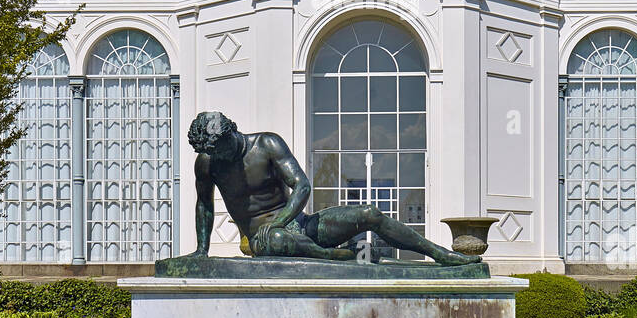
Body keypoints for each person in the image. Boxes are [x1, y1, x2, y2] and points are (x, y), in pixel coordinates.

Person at [186, 111, 479, 265]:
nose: (219, 156)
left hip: (298, 225)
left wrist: (282, 221)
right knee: (274, 238)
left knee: (369, 213)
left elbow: (301, 186)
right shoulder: (208, 163)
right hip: (264, 240)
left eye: (220, 148)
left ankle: (441, 254)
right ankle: (337, 256)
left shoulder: (266, 144)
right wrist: (202, 251)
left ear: (231, 131)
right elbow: (204, 205)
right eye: (212, 151)